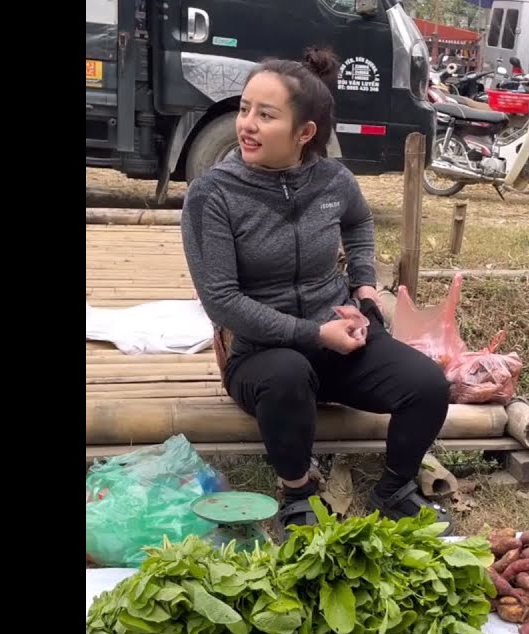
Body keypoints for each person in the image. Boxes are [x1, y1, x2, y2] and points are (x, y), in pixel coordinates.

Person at [180, 47, 453, 534]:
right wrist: (314, 334)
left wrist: (365, 291)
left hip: (337, 339)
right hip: (260, 355)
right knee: (287, 374)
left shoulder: (332, 179)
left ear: (304, 133)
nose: (246, 125)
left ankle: (394, 490)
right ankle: (298, 492)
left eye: (266, 115)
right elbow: (221, 300)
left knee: (428, 385)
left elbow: (359, 222)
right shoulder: (212, 195)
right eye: (244, 109)